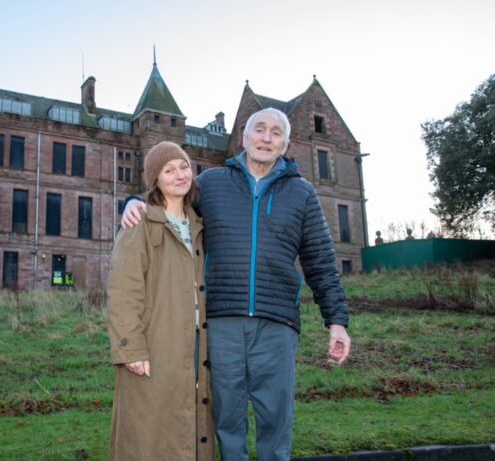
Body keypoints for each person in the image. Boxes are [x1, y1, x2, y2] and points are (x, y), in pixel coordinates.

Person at [121, 108, 351, 461]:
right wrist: (133, 201)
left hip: (277, 325)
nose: (266, 138)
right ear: (244, 137)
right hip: (221, 323)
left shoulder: (302, 194)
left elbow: (321, 262)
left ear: (285, 144)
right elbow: (169, 202)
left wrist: (337, 322)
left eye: (276, 133)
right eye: (260, 130)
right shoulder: (211, 183)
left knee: (276, 425)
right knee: (226, 424)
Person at [108, 141, 215, 461]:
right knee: (151, 431)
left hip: (198, 341)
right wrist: (130, 348)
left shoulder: (199, 222)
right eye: (169, 170)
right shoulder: (139, 219)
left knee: (192, 420)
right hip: (155, 341)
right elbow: (123, 288)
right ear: (155, 178)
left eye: (184, 166)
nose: (180, 175)